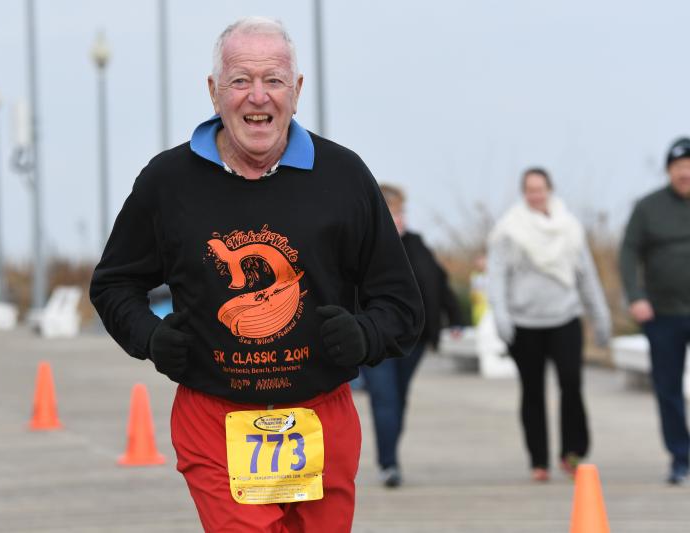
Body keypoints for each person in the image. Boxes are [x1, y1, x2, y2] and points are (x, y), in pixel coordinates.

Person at [89, 17, 424, 532]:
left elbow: (401, 303)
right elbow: (114, 283)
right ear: (214, 91)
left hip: (321, 415)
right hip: (214, 417)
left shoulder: (343, 177)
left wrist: (365, 334)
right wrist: (151, 337)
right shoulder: (168, 182)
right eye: (240, 80)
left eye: (273, 80)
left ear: (297, 90)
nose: (257, 96)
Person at [487, 167, 611, 482]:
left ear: (549, 190)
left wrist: (601, 317)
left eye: (540, 188)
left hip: (565, 317)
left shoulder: (569, 228)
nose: (535, 195)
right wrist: (501, 317)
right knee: (532, 391)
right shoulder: (509, 230)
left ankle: (573, 452)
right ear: (523, 193)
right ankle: (538, 460)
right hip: (524, 322)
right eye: (529, 189)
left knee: (571, 383)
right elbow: (498, 277)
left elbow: (587, 276)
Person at [361, 183, 462, 488]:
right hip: (375, 339)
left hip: (412, 341)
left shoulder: (417, 245)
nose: (399, 219)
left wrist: (456, 319)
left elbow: (440, 285)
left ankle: (390, 455)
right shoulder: (361, 245)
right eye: (391, 212)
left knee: (399, 398)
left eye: (401, 212)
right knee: (385, 398)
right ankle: (388, 464)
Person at [620, 137, 690, 485]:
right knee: (668, 387)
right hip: (663, 313)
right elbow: (628, 252)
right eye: (680, 167)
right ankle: (680, 457)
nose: (686, 173)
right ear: (669, 171)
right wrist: (636, 295)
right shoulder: (648, 207)